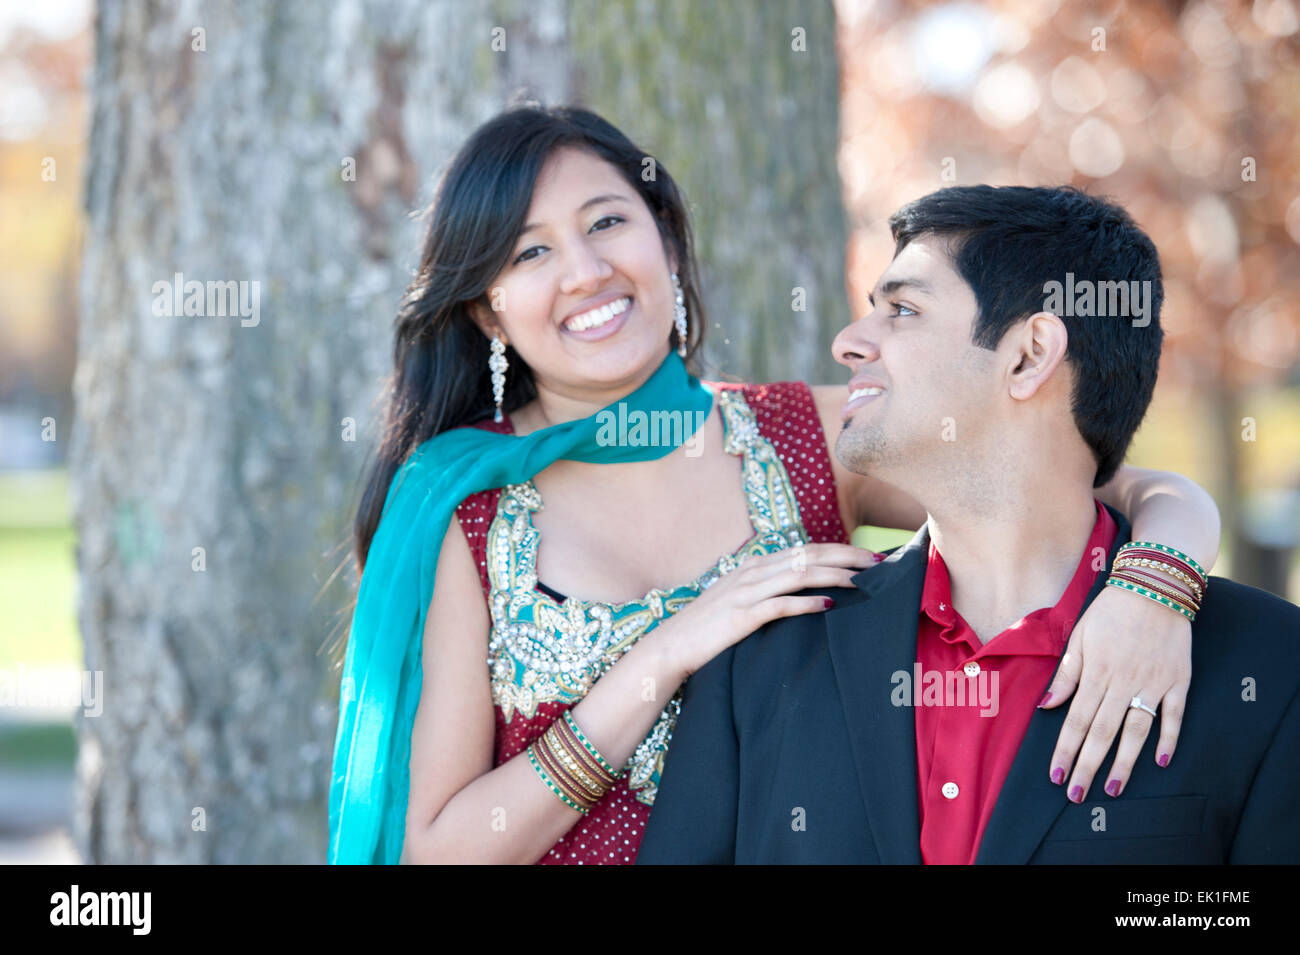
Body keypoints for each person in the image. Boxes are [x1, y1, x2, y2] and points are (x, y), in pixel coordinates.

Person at [327, 107, 1221, 865]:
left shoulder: (808, 437)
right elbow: (439, 848)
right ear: (488, 308)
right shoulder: (463, 508)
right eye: (529, 253)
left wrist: (1156, 588)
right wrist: (662, 654)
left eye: (607, 222)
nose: (585, 271)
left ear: (666, 237)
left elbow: (1086, 481)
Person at [636, 184, 1300, 865]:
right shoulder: (762, 655)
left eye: (902, 309)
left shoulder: (1271, 667)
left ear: (1028, 355)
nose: (848, 342)